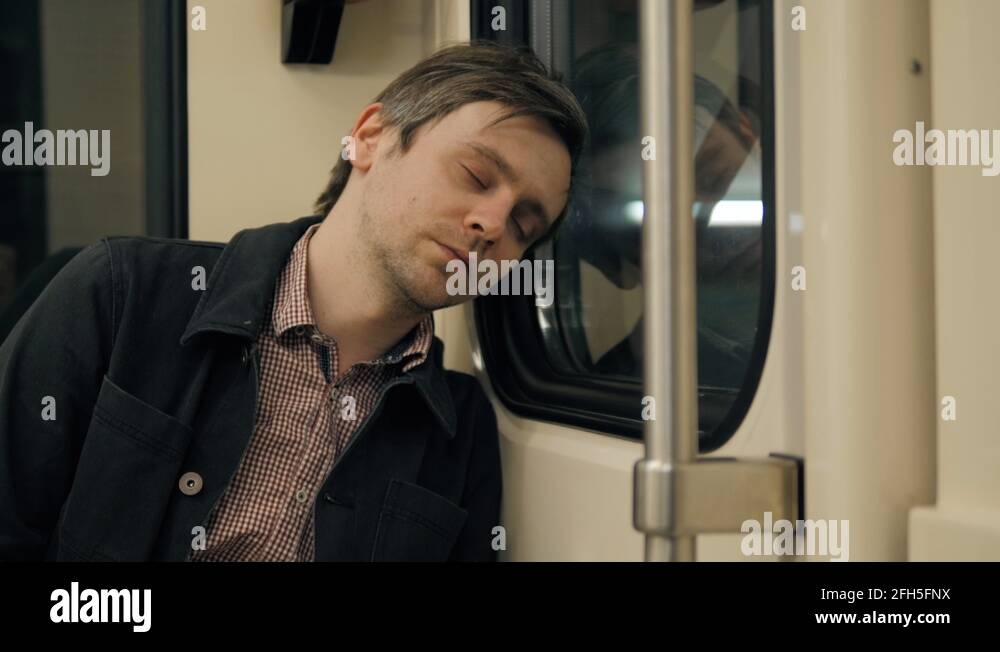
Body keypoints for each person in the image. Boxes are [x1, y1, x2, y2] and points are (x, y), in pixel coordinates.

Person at [0, 41, 588, 562]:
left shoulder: (461, 432)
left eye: (523, 223)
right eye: (475, 175)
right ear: (369, 139)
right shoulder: (123, 292)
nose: (491, 224)